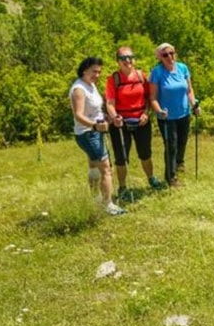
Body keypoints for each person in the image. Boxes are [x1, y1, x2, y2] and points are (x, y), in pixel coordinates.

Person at [69, 56, 125, 216]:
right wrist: (95, 125)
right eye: (94, 71)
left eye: (99, 72)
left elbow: (95, 111)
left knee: (93, 165)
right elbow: (78, 115)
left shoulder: (90, 85)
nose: (97, 75)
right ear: (84, 69)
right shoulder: (78, 89)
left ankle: (95, 198)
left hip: (95, 131)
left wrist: (109, 118)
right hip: (88, 134)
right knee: (106, 169)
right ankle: (108, 204)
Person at [105, 46, 161, 197]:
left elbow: (149, 98)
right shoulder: (113, 79)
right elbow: (109, 103)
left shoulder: (142, 76)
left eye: (130, 57)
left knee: (145, 153)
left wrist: (146, 113)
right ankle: (122, 187)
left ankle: (151, 179)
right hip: (120, 123)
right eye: (123, 58)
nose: (127, 61)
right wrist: (115, 116)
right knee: (121, 157)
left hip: (141, 121)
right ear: (118, 61)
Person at [148, 42, 198, 188]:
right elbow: (152, 97)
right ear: (160, 57)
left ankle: (179, 163)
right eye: (165, 55)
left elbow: (189, 90)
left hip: (184, 113)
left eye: (172, 53)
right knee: (171, 146)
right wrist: (159, 111)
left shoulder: (183, 68)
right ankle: (170, 177)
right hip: (166, 117)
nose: (170, 56)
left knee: (182, 142)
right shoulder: (156, 72)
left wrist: (194, 104)